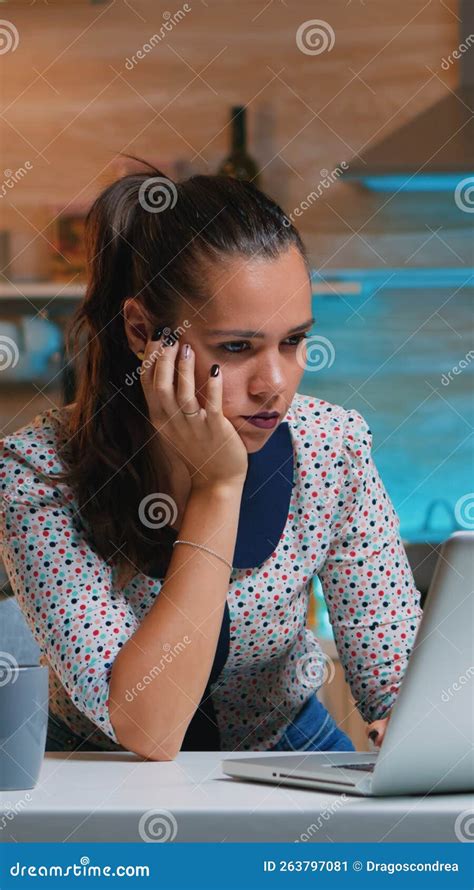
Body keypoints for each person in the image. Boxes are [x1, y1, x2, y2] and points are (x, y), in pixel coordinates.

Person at [0, 163, 422, 760]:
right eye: (237, 347)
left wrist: (414, 723)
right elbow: (150, 727)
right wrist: (219, 488)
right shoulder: (39, 474)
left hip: (286, 746)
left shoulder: (333, 446)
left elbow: (395, 680)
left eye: (295, 341)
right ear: (144, 331)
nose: (275, 383)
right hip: (97, 767)